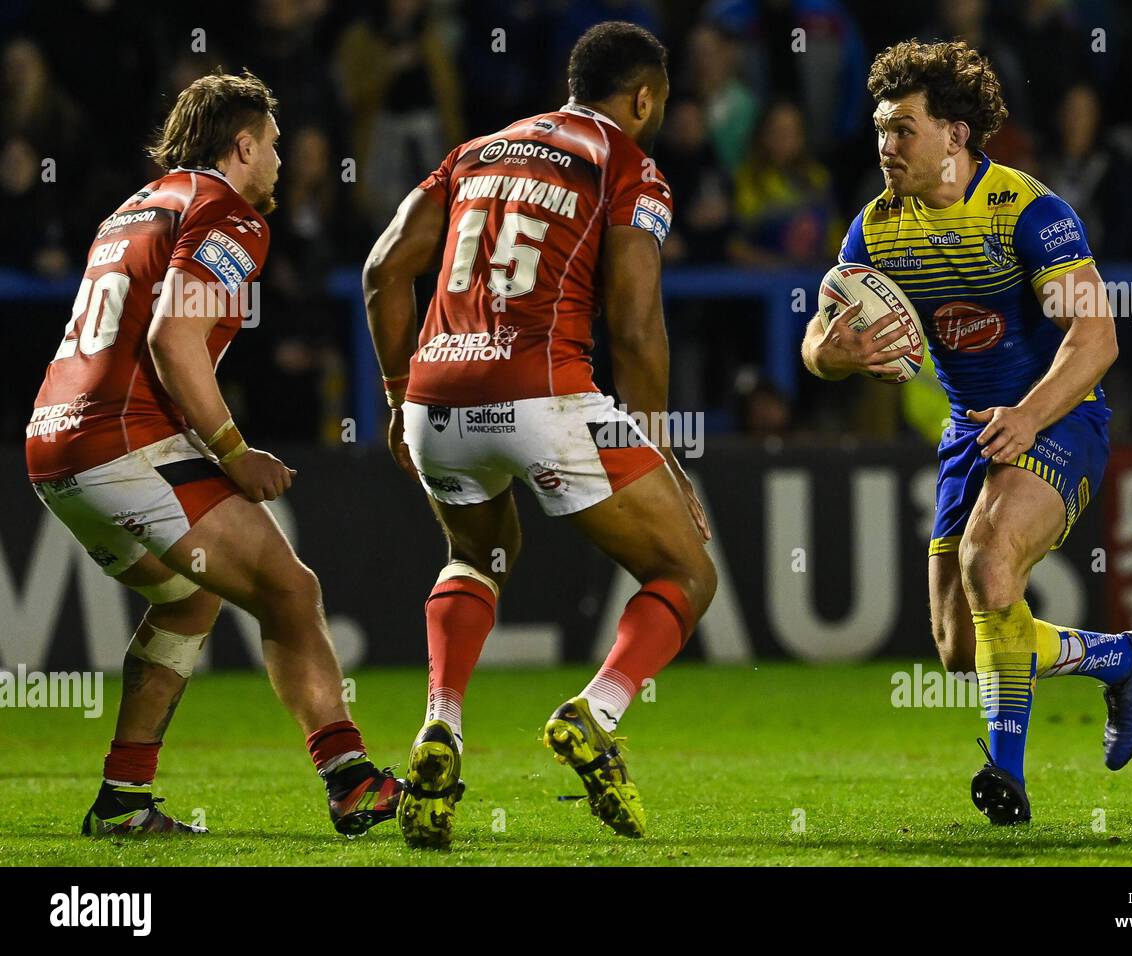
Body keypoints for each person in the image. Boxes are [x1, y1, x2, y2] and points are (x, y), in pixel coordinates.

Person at [364, 21, 715, 849]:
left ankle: (441, 725)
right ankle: (593, 714)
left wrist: (395, 393)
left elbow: (384, 270)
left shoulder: (476, 150)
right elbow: (633, 325)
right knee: (685, 570)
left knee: (476, 556)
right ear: (643, 98)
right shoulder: (626, 163)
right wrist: (658, 446)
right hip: (543, 394)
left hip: (437, 400)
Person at [24, 71, 400, 838]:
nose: (280, 164)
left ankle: (124, 800)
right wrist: (233, 451)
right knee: (290, 591)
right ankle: (349, 777)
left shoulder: (128, 212)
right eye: (272, 146)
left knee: (187, 599)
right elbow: (173, 338)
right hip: (120, 441)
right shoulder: (226, 213)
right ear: (240, 146)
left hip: (52, 446)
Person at [802, 40, 1132, 825]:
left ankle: (1006, 775)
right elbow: (818, 335)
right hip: (971, 435)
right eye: (880, 129)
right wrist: (830, 354)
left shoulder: (1029, 211)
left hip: (1059, 417)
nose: (885, 146)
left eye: (903, 129)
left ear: (956, 135)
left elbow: (1096, 338)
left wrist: (1030, 415)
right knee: (963, 648)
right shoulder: (876, 230)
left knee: (988, 557)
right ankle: (1123, 657)